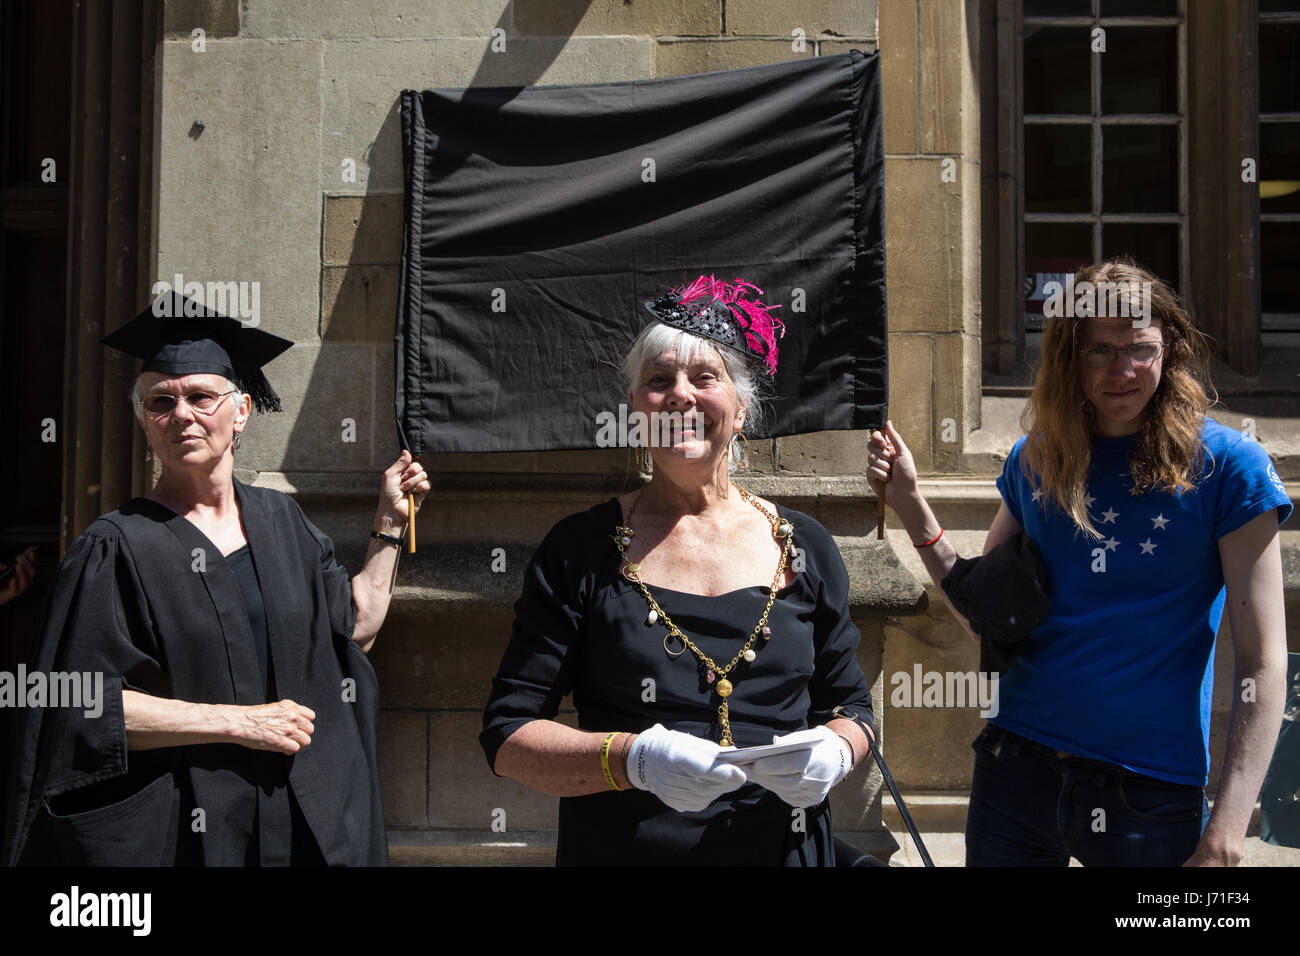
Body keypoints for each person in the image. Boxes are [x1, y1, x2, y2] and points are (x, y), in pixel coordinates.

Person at [870, 258, 1291, 867]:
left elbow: (1262, 660)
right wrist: (911, 506)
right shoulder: (1038, 459)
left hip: (1147, 794)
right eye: (1099, 352)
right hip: (1016, 774)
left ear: (1168, 349)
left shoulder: (1230, 469)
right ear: (1071, 357)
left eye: (1139, 349)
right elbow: (989, 620)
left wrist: (1226, 834)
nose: (1121, 371)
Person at [2, 292, 430, 866]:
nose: (182, 415)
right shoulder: (115, 547)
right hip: (190, 833)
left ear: (242, 411)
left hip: (306, 824)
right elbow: (77, 706)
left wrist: (387, 524)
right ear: (143, 424)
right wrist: (239, 724)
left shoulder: (283, 521)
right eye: (161, 403)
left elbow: (356, 630)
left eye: (201, 396)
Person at [481, 276, 877, 866]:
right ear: (636, 411)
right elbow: (508, 736)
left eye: (704, 378)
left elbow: (853, 708)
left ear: (741, 409)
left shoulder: (806, 545)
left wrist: (839, 752)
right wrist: (631, 761)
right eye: (658, 381)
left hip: (785, 851)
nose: (681, 397)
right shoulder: (579, 549)